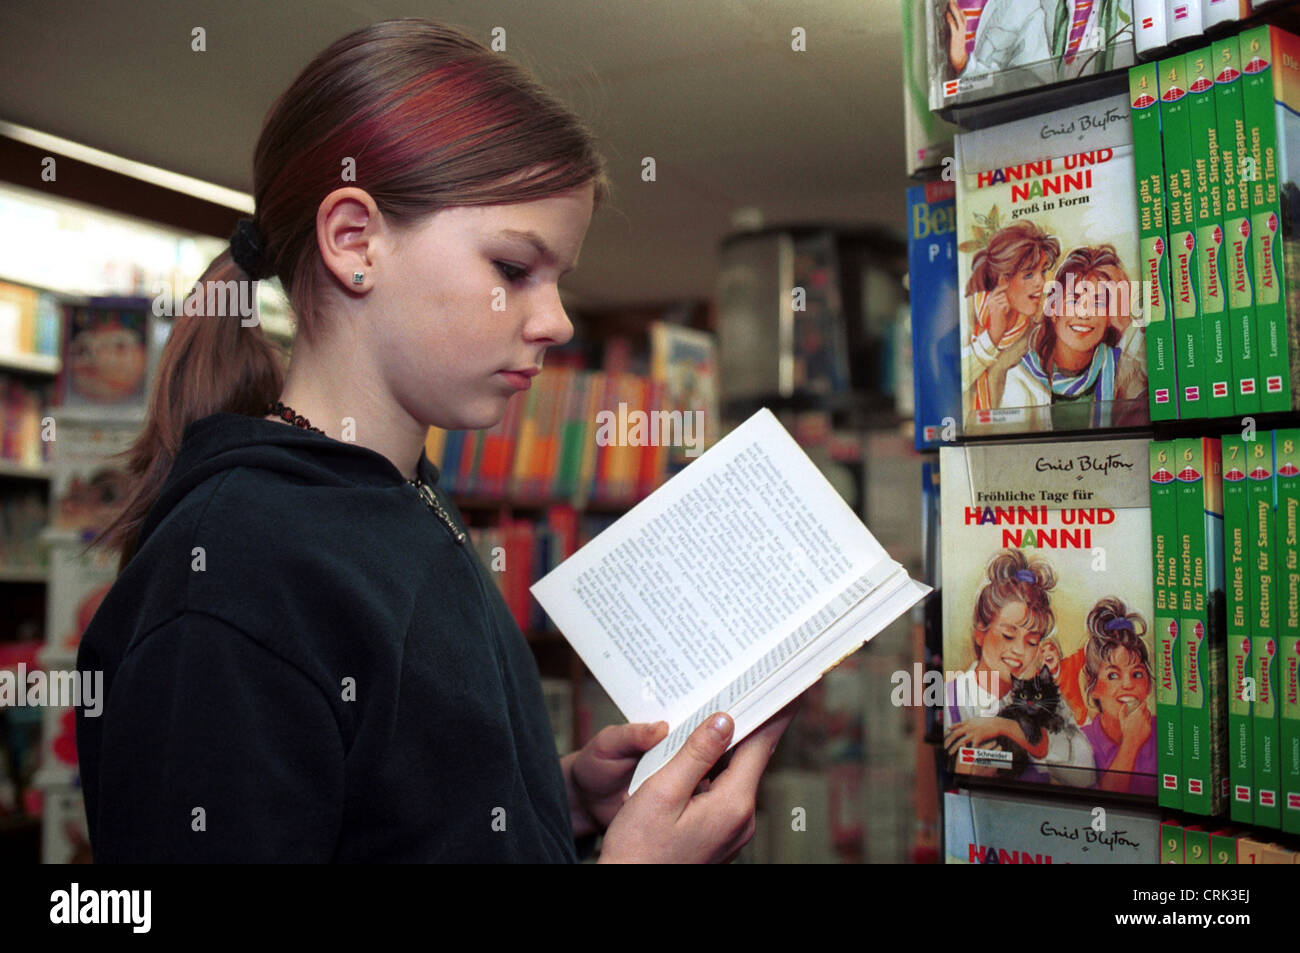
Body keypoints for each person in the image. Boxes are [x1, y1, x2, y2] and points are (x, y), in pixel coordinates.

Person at [74, 18, 796, 864]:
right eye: (512, 269)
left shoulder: (400, 499)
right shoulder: (234, 568)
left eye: (559, 279)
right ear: (355, 242)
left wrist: (546, 801)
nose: (557, 319)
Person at [1000, 244, 1146, 427]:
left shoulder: (1124, 371)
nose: (1084, 313)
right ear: (1053, 308)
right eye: (1074, 300)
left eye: (1098, 303)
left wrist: (1126, 324)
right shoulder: (1023, 378)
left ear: (1110, 316)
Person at [961, 221, 1060, 414]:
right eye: (1029, 275)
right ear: (1003, 279)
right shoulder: (966, 311)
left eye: (1043, 272)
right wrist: (991, 338)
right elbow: (952, 381)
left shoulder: (1033, 333)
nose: (1041, 282)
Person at [1078, 598, 1156, 796]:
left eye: (1137, 674)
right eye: (1113, 675)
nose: (1128, 684)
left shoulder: (1166, 733)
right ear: (1093, 686)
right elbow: (1098, 807)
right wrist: (1131, 742)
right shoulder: (1079, 742)